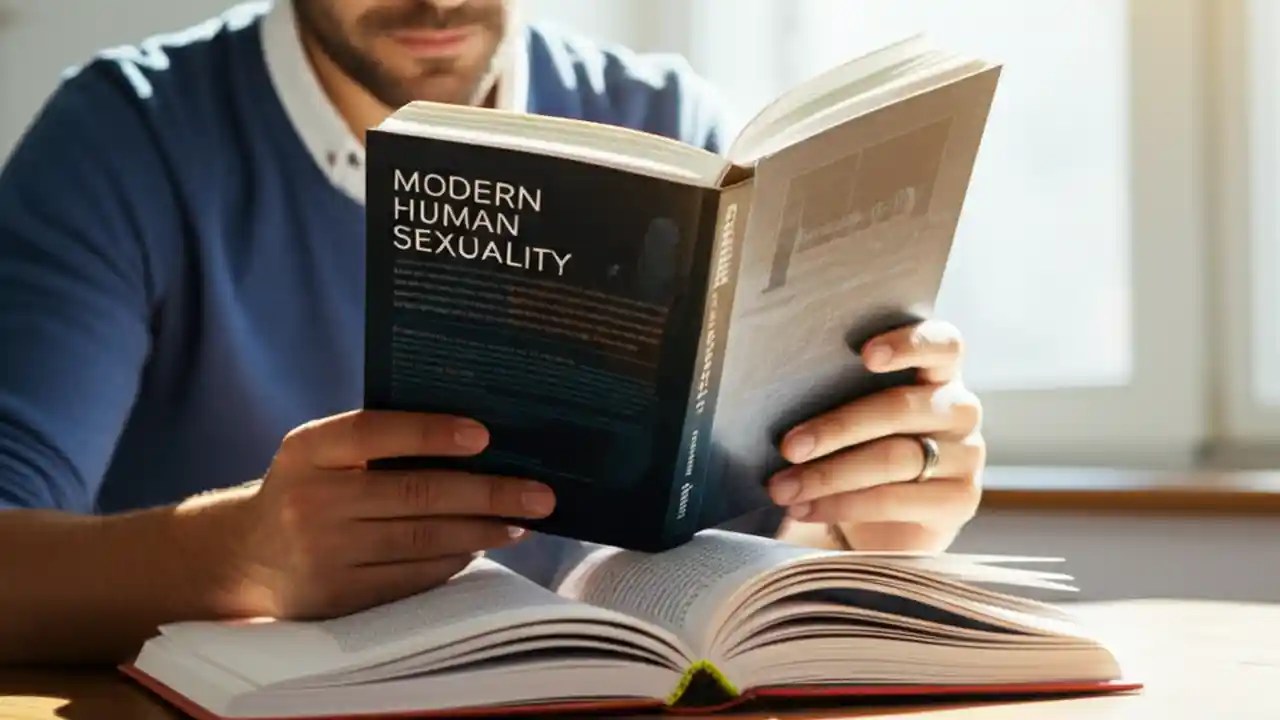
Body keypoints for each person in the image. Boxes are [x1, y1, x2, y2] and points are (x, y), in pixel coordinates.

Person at [0, 0, 986, 665]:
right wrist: (242, 554)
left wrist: (868, 515)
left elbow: (725, 539)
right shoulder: (123, 137)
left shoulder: (660, 124)